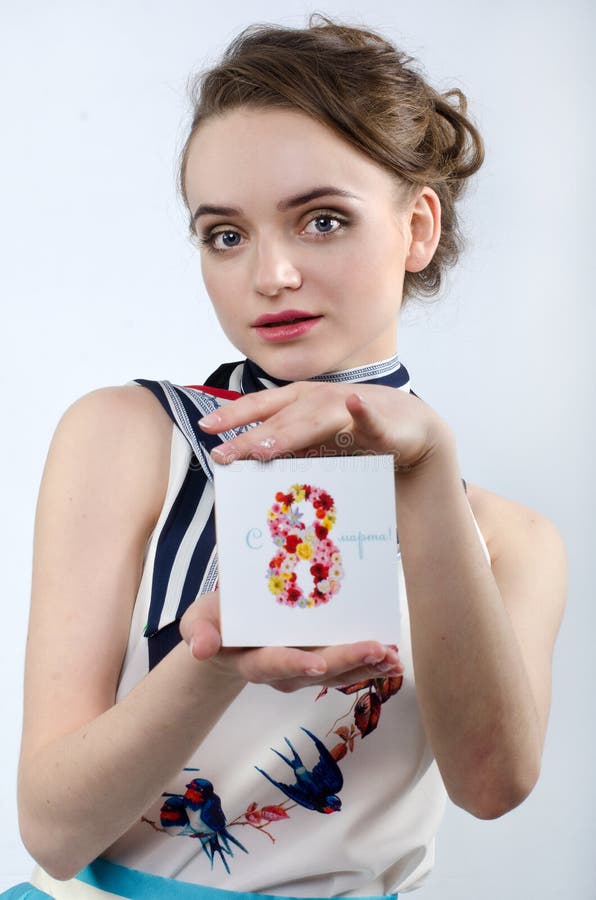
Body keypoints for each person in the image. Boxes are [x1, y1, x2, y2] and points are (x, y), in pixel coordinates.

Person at [4, 14, 567, 900]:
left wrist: (426, 472)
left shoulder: (514, 540)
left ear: (417, 227)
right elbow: (52, 828)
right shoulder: (126, 437)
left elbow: (492, 787)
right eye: (225, 234)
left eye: (322, 221)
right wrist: (214, 661)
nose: (270, 276)